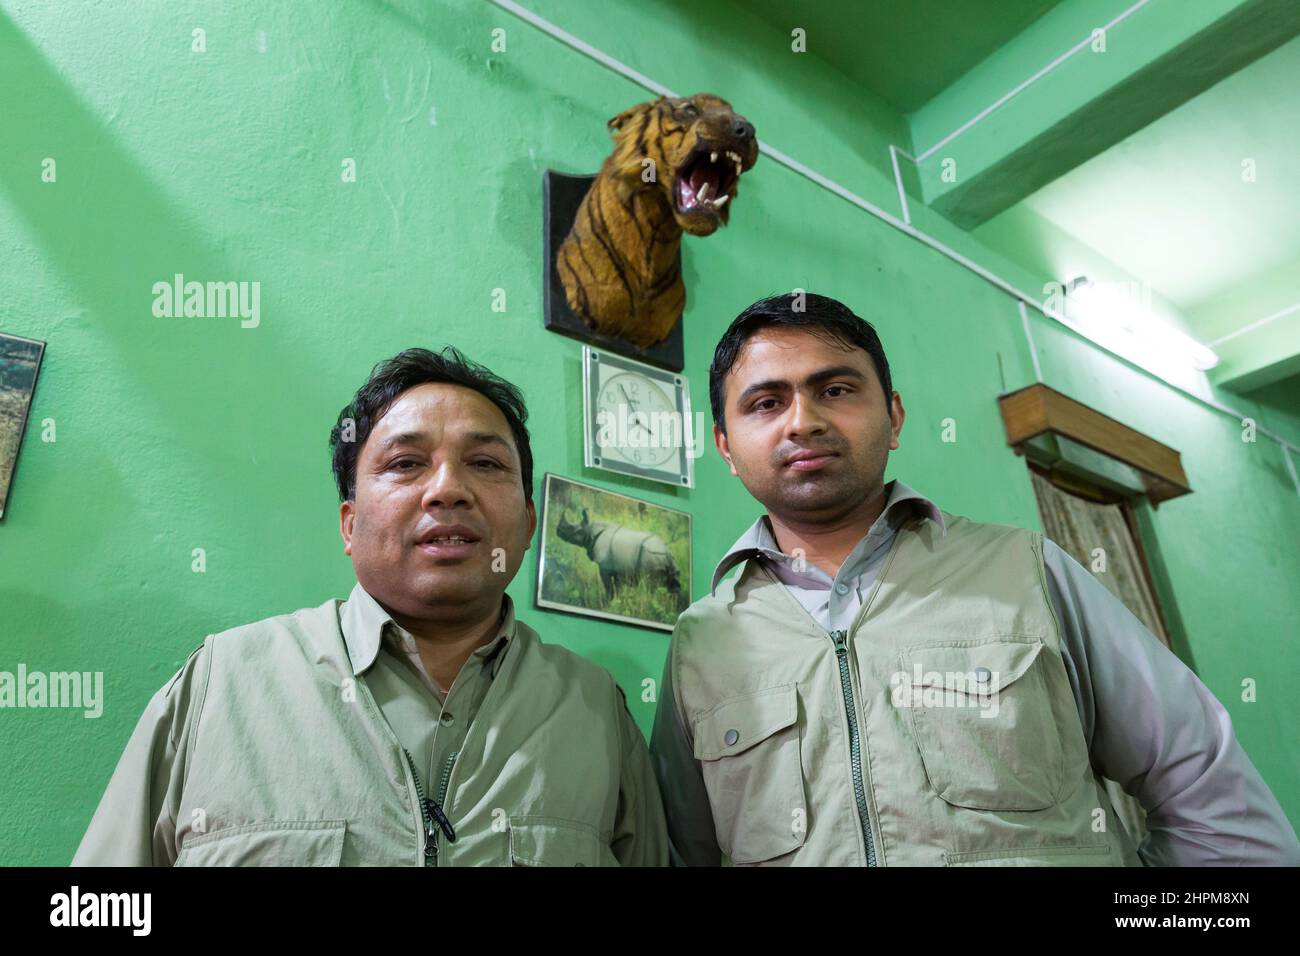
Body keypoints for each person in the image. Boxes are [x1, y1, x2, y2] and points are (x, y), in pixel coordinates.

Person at [650, 291, 1300, 866]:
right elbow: (688, 852)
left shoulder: (1028, 571)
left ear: (894, 416)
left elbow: (1208, 793)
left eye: (836, 390)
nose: (803, 421)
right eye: (766, 402)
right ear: (726, 447)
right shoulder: (702, 642)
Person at [75, 346, 667, 866]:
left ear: (530, 522)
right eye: (406, 463)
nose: (447, 489)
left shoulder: (597, 710)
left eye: (485, 464)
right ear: (351, 524)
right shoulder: (217, 683)